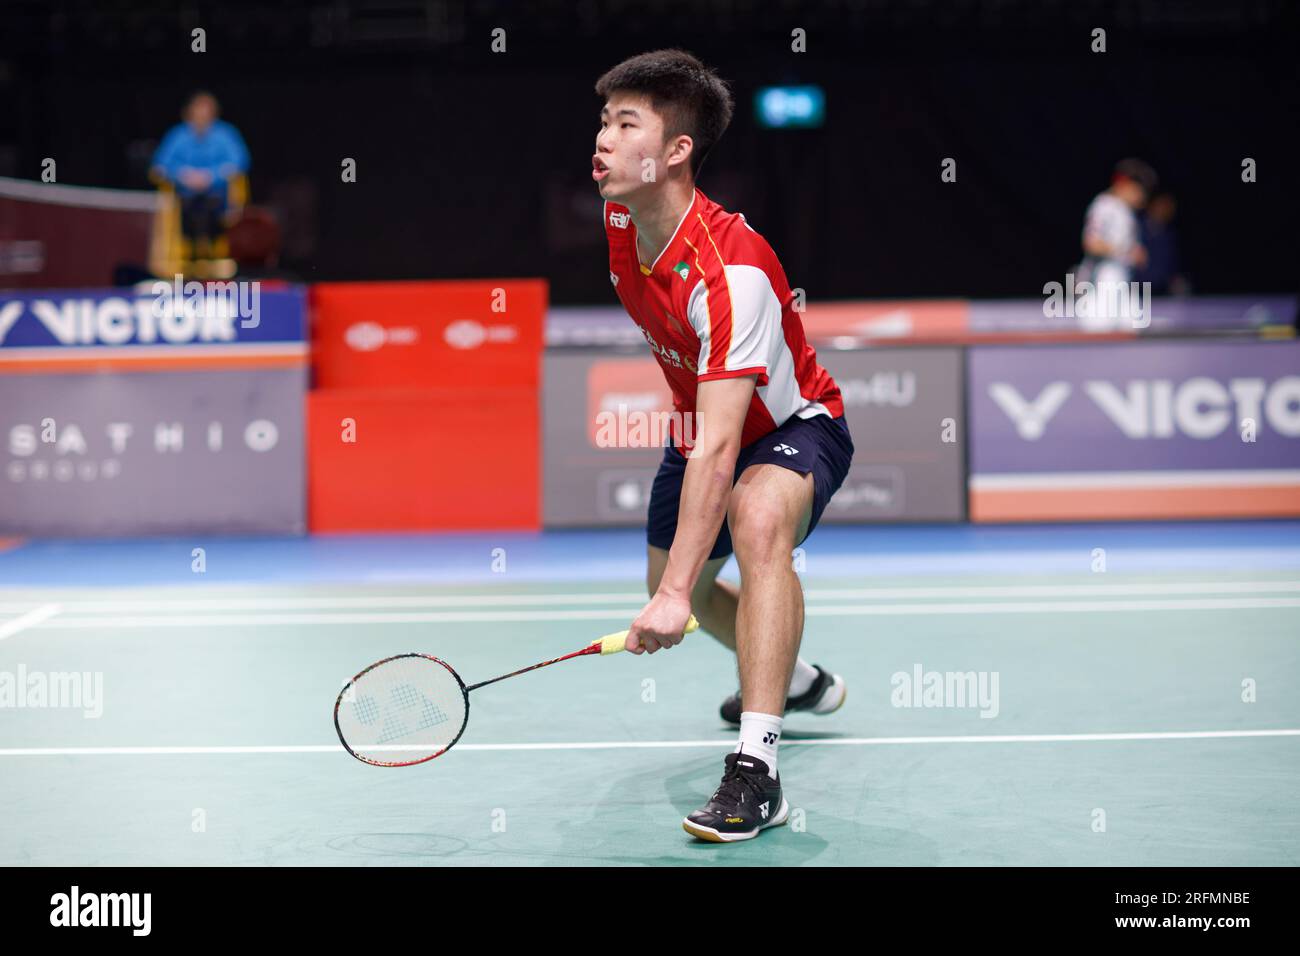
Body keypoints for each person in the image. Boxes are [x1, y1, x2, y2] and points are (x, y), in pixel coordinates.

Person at [593, 50, 854, 842]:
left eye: (625, 123)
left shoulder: (730, 271)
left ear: (676, 150)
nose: (601, 140)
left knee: (756, 519)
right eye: (603, 121)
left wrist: (671, 596)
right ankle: (796, 680)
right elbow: (702, 431)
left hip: (793, 426)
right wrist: (676, 589)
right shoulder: (620, 221)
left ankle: (757, 769)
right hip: (700, 426)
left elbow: (722, 449)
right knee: (696, 592)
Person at [150, 91, 250, 252]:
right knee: (179, 208)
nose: (202, 115)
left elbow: (239, 162)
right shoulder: (178, 135)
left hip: (218, 196)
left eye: (206, 111)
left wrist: (211, 177)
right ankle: (186, 251)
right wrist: (183, 175)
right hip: (183, 197)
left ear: (213, 113)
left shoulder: (225, 134)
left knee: (220, 206)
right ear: (189, 113)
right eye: (198, 111)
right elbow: (160, 166)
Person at [1075, 157, 1157, 331]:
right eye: (1139, 191)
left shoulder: (1125, 211)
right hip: (1102, 279)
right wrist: (1126, 252)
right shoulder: (1104, 206)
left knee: (1135, 325)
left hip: (1122, 280)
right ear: (1123, 183)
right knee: (1099, 329)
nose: (1142, 199)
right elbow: (1092, 243)